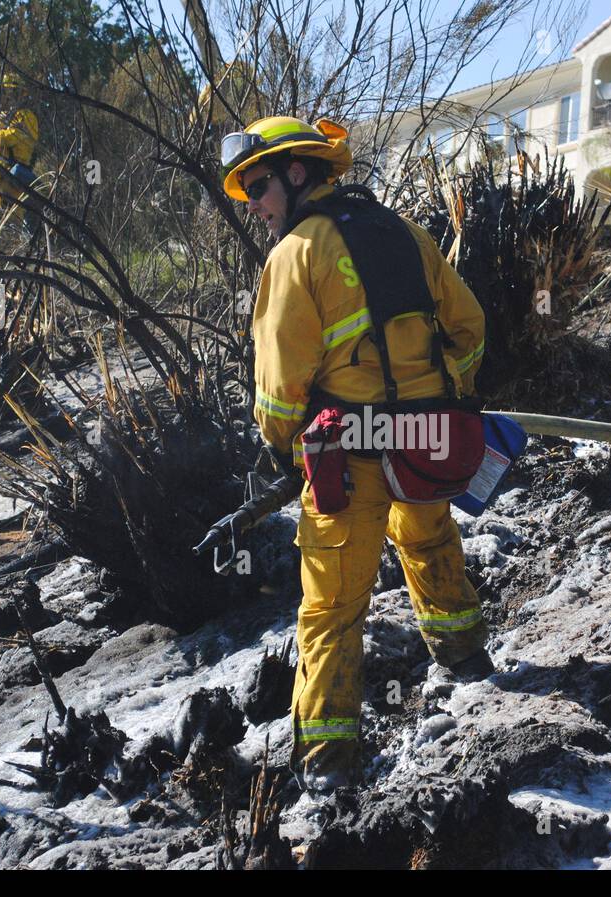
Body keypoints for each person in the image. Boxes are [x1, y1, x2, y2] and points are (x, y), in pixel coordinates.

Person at [221, 116, 492, 795]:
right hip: (429, 447)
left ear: (298, 172)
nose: (255, 205)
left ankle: (326, 768)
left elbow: (281, 385)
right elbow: (470, 328)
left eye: (258, 187)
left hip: (352, 455)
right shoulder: (407, 234)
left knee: (331, 611)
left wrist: (279, 445)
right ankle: (469, 666)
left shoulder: (294, 255)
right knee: (430, 544)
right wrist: (445, 397)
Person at [0, 71, 39, 248]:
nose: (7, 97)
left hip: (12, 181)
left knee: (10, 227)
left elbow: (12, 137)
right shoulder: (3, 118)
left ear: (20, 94)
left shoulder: (27, 117)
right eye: (4, 92)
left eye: (11, 92)